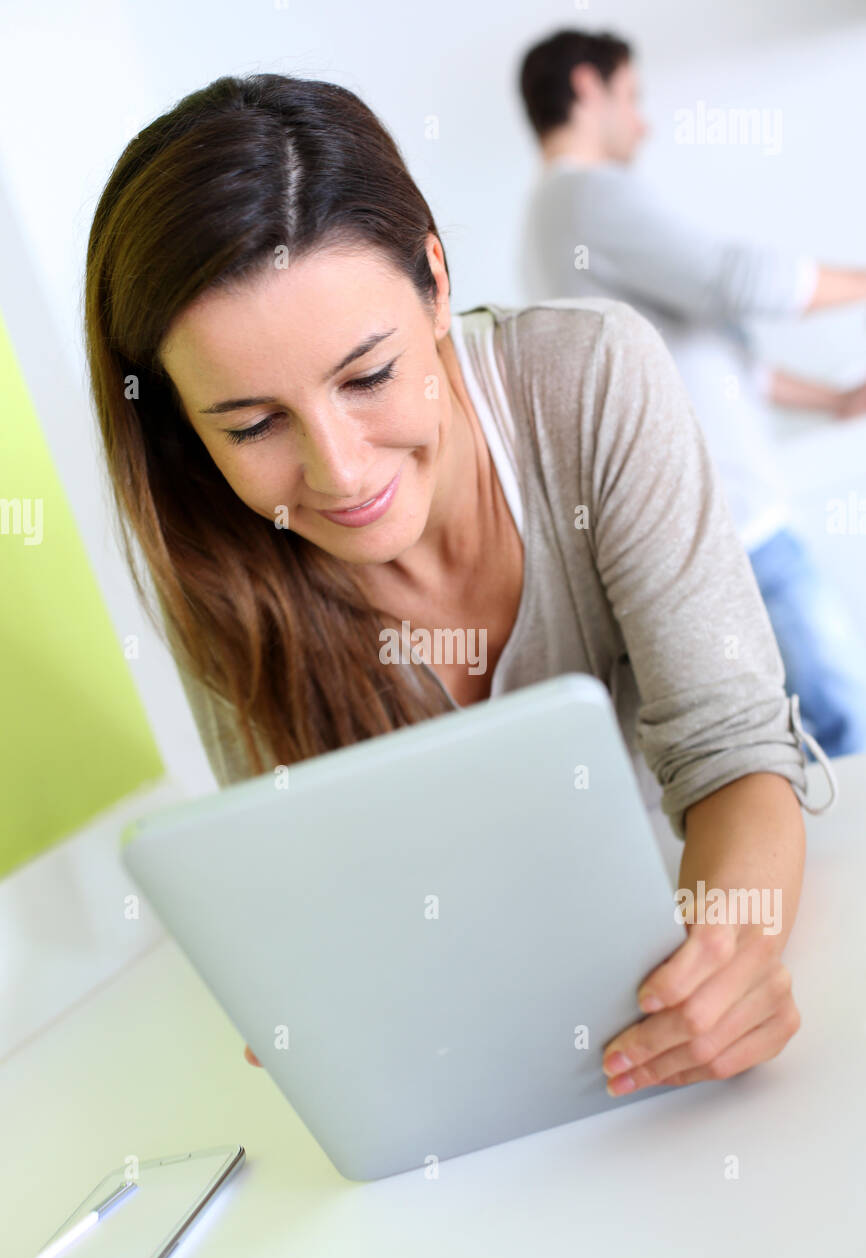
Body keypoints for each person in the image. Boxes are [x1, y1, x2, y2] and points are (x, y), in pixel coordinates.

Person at [85, 73, 833, 1099]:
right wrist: (319, 985)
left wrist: (722, 967)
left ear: (433, 281)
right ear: (180, 420)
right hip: (496, 1067)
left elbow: (728, 750)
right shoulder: (215, 550)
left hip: (670, 950)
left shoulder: (587, 379)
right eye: (253, 425)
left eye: (367, 375)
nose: (340, 471)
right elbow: (325, 881)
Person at [518, 28, 866, 758]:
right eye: (632, 96)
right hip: (737, 534)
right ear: (587, 87)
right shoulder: (584, 198)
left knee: (812, 743)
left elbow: (706, 354)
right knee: (839, 735)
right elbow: (734, 279)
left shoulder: (555, 224)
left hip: (728, 528)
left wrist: (832, 402)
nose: (643, 121)